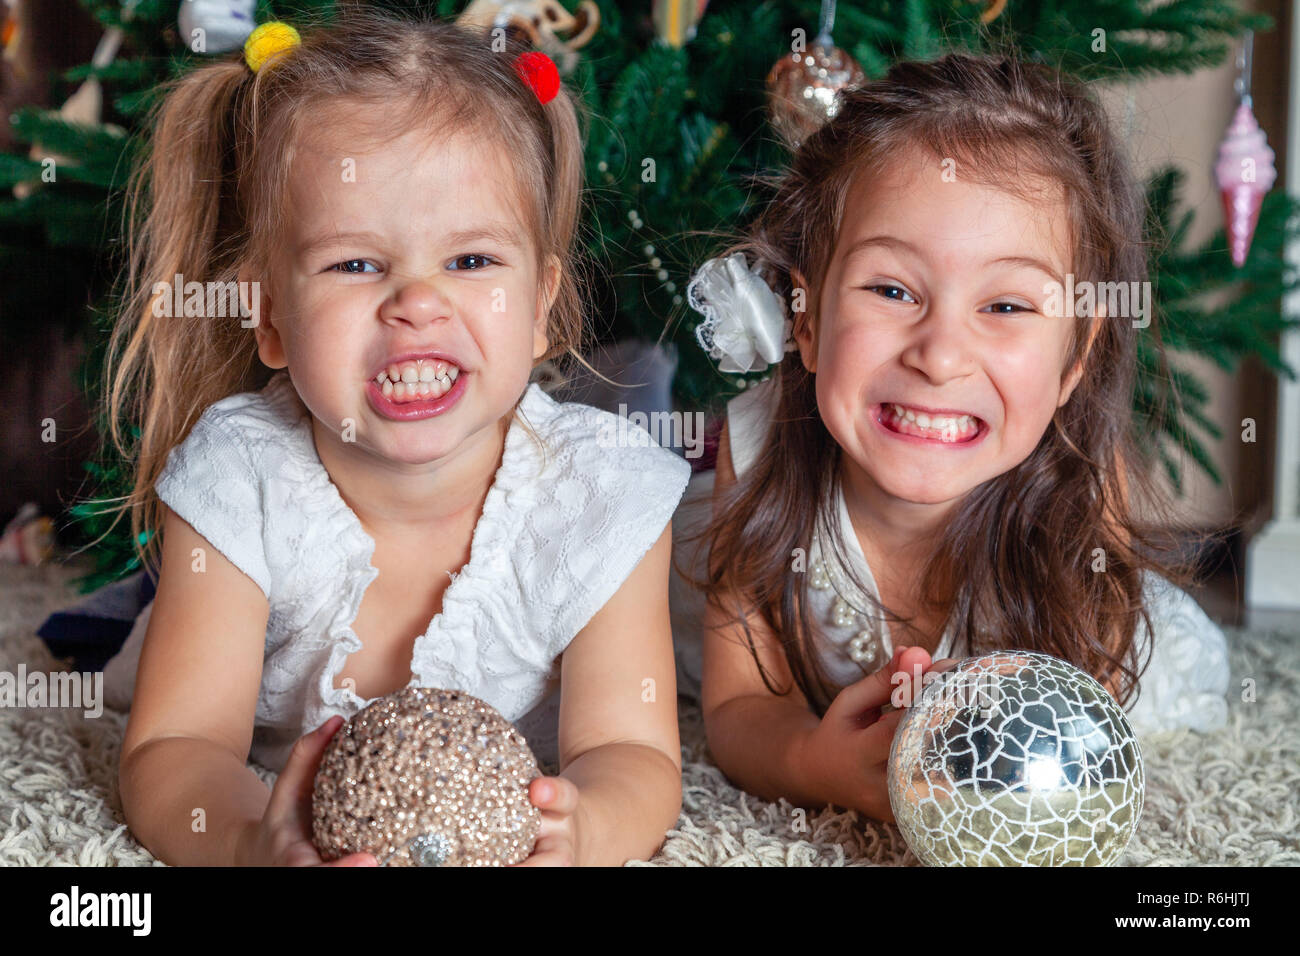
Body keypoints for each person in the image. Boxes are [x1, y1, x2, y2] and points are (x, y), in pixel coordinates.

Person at [102, 10, 689, 866]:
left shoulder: (598, 494)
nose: (417, 303)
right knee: (143, 679)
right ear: (270, 317)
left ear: (540, 307)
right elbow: (177, 747)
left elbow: (630, 751)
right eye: (355, 264)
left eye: (471, 261)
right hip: (234, 696)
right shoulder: (242, 477)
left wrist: (587, 828)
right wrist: (249, 840)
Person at [671, 53, 1230, 824]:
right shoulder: (759, 443)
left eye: (1006, 306)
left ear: (1075, 356)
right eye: (891, 289)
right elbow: (738, 707)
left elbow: (1070, 733)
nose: (938, 357)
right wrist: (812, 762)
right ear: (806, 317)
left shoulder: (1084, 476)